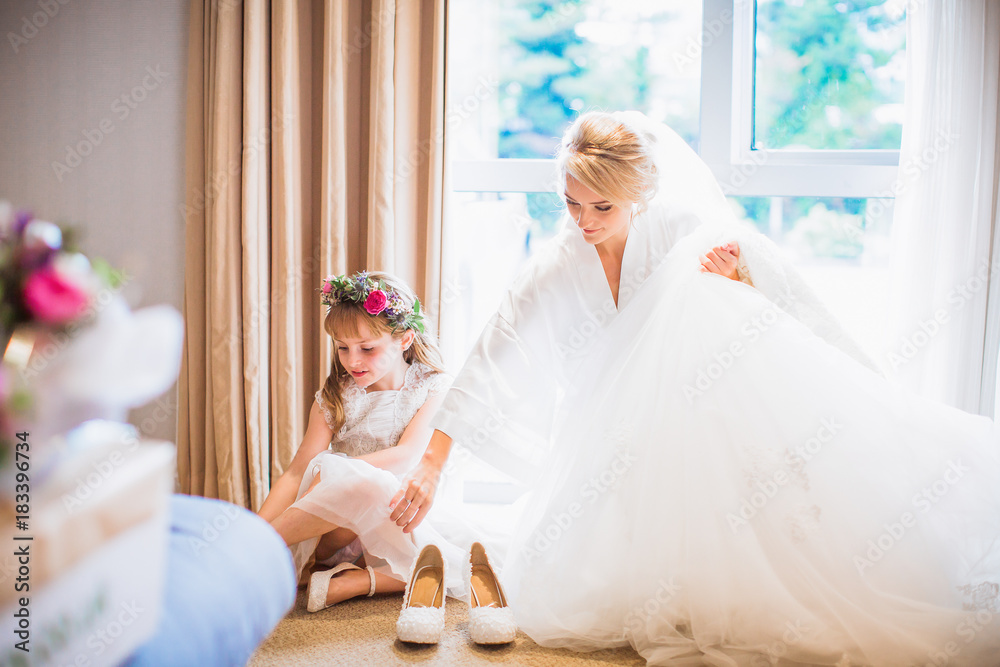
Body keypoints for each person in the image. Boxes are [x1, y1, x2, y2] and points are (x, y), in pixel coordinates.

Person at [388, 111, 1000, 665]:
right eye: (572, 203)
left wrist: (738, 280)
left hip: (710, 415)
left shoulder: (687, 229)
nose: (584, 221)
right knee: (570, 583)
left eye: (603, 207)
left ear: (639, 195)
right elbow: (493, 353)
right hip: (618, 437)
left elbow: (784, 311)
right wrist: (434, 464)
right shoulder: (557, 262)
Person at [258, 270, 469, 611]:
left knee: (458, 558)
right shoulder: (335, 396)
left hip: (401, 513)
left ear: (404, 339)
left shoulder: (432, 387)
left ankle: (358, 581)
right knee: (351, 481)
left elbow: (406, 456)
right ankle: (259, 545)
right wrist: (258, 525)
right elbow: (297, 473)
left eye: (367, 348)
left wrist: (339, 471)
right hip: (340, 529)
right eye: (343, 348)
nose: (352, 361)